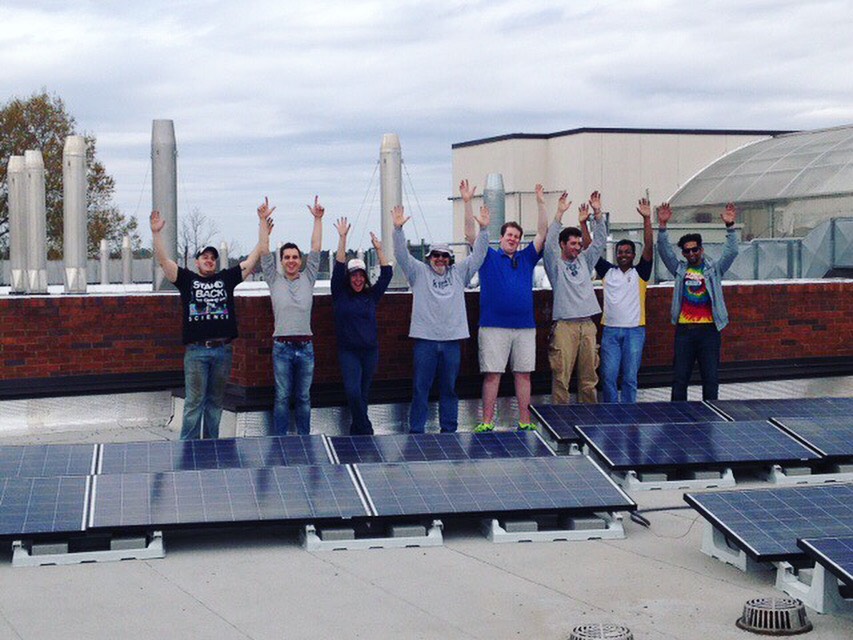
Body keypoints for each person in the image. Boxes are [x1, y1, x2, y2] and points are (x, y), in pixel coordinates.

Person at [150, 204, 271, 440]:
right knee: (194, 402)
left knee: (215, 403)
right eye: (205, 257)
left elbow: (252, 259)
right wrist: (156, 233)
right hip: (197, 352)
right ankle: (188, 448)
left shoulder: (227, 278)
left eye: (212, 258)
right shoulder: (186, 280)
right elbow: (164, 261)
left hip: (223, 351)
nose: (209, 260)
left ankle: (211, 446)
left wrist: (263, 225)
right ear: (197, 262)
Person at [393, 191, 490, 433]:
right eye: (435, 255)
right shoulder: (418, 273)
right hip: (425, 342)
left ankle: (449, 431)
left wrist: (484, 230)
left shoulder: (460, 273)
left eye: (444, 256)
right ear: (429, 258)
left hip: (452, 343)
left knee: (449, 389)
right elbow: (401, 254)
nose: (439, 259)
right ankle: (417, 431)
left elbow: (479, 255)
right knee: (420, 389)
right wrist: (398, 230)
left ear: (450, 258)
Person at [467, 183, 549, 432]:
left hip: (524, 327)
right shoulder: (487, 256)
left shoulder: (527, 257)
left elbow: (542, 233)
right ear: (501, 237)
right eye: (509, 235)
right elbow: (470, 236)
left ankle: (524, 421)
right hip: (493, 327)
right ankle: (487, 421)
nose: (513, 239)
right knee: (492, 375)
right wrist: (467, 202)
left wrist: (540, 202)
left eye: (516, 236)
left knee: (523, 374)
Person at [657, 201, 738, 401]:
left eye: (695, 249)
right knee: (679, 379)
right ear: (684, 253)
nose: (691, 254)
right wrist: (662, 226)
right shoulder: (680, 270)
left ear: (701, 250)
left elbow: (731, 252)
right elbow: (664, 252)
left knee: (710, 379)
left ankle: (710, 414)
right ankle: (678, 415)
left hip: (709, 331)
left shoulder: (714, 270)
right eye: (687, 251)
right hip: (685, 332)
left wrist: (730, 227)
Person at [260, 196, 324, 435]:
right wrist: (263, 221)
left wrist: (318, 220)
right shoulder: (273, 279)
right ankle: (281, 439)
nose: (291, 261)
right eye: (286, 257)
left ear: (300, 260)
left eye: (295, 257)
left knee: (304, 397)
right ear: (282, 260)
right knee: (282, 397)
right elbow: (264, 251)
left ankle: (304, 438)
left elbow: (316, 247)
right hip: (282, 348)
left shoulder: (309, 277)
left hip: (306, 347)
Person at [543, 188, 606, 404]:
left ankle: (588, 417)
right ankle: (560, 418)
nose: (578, 247)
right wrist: (559, 213)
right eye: (573, 244)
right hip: (565, 326)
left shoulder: (585, 261)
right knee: (561, 376)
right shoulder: (555, 265)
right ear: (563, 244)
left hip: (587, 325)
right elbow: (548, 244)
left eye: (579, 244)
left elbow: (599, 242)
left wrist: (597, 214)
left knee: (589, 378)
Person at [330, 216, 392, 435]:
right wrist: (342, 239)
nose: (357, 280)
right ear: (348, 278)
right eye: (353, 276)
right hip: (349, 352)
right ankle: (366, 428)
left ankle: (357, 433)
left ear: (365, 277)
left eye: (361, 276)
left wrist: (379, 249)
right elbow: (338, 267)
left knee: (363, 394)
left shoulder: (371, 296)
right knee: (353, 391)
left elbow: (387, 274)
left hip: (370, 352)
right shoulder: (339, 295)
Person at [594, 198, 654, 403]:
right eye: (620, 252)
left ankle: (629, 413)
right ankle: (611, 413)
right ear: (616, 254)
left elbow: (649, 245)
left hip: (634, 331)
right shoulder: (607, 272)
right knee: (608, 377)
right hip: (610, 332)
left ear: (634, 255)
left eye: (627, 252)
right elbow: (590, 249)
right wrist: (586, 221)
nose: (623, 255)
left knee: (629, 378)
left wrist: (647, 219)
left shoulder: (641, 273)